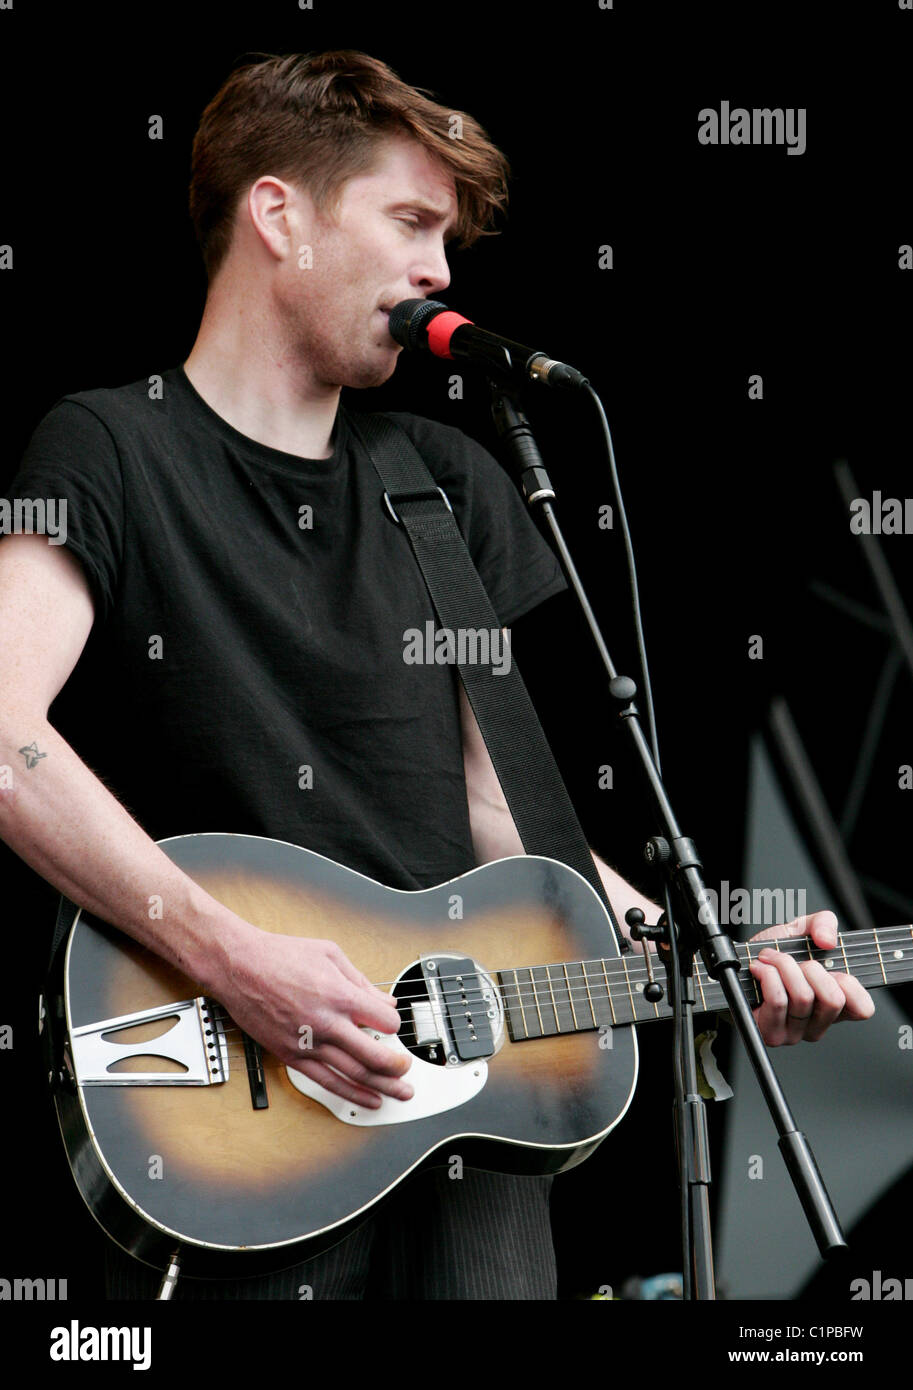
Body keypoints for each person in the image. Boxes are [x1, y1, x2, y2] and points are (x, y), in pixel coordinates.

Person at [0, 50, 874, 1301]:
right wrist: (237, 957)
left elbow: (499, 819)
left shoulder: (443, 480)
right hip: (240, 1116)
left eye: (448, 240)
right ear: (278, 213)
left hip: (469, 1126)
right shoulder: (107, 446)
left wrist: (710, 958)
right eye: (410, 222)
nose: (439, 273)